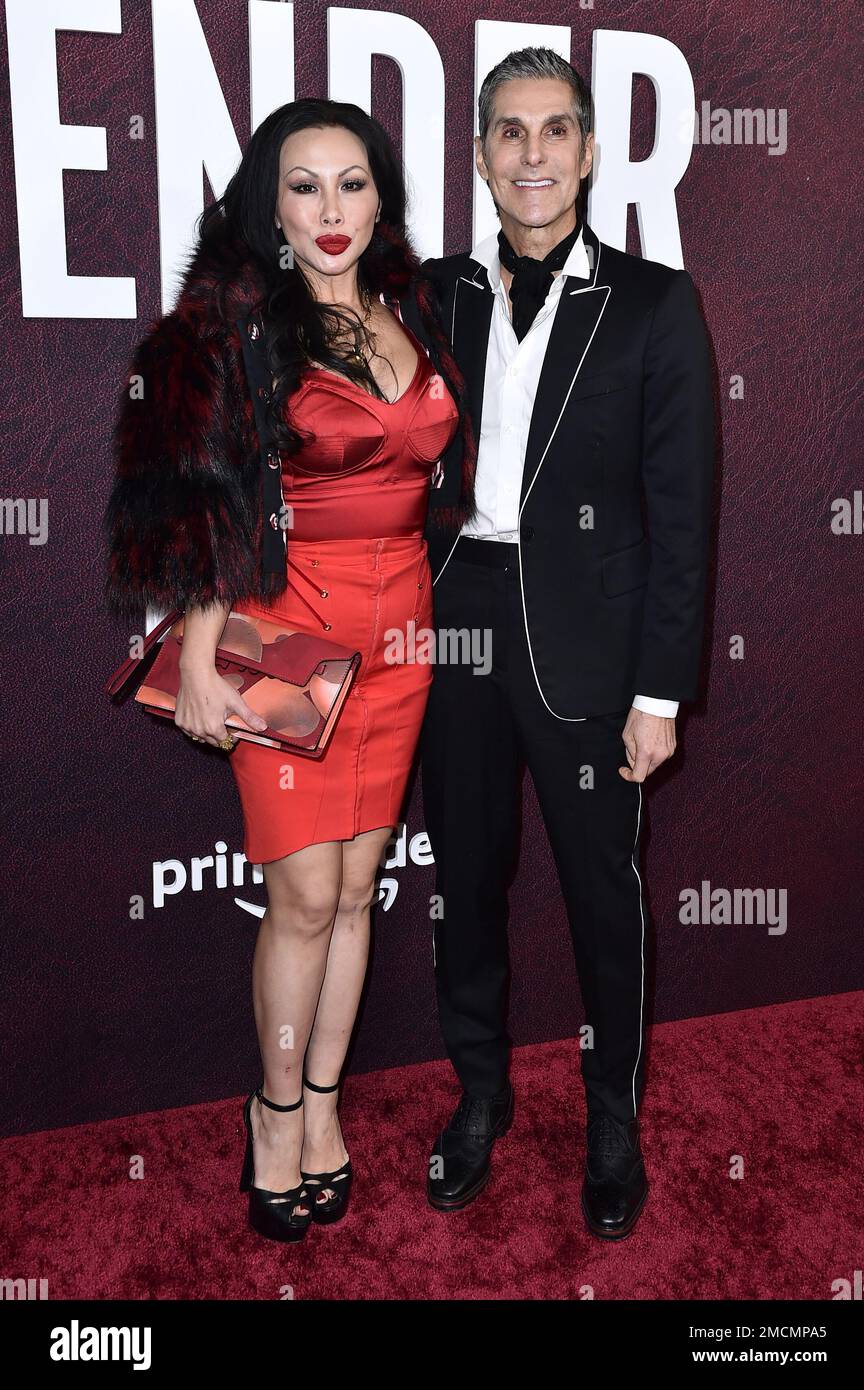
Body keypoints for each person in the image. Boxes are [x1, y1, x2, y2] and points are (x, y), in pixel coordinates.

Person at [103, 98, 475, 1242]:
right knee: (303, 894)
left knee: (358, 891)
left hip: (403, 633)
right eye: (303, 185)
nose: (330, 210)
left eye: (351, 184)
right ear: (269, 199)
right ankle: (273, 1112)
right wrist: (203, 651)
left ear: (381, 196)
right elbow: (204, 493)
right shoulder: (229, 329)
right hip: (289, 627)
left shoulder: (411, 300)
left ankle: (322, 1108)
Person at [419, 48, 715, 1238]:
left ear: (590, 153)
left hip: (592, 644)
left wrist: (660, 693)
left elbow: (682, 516)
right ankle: (479, 1095)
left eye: (555, 130)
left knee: (602, 893)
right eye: (508, 131)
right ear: (481, 155)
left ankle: (611, 1116)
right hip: (457, 628)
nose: (531, 153)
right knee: (466, 886)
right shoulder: (430, 294)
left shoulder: (655, 303)